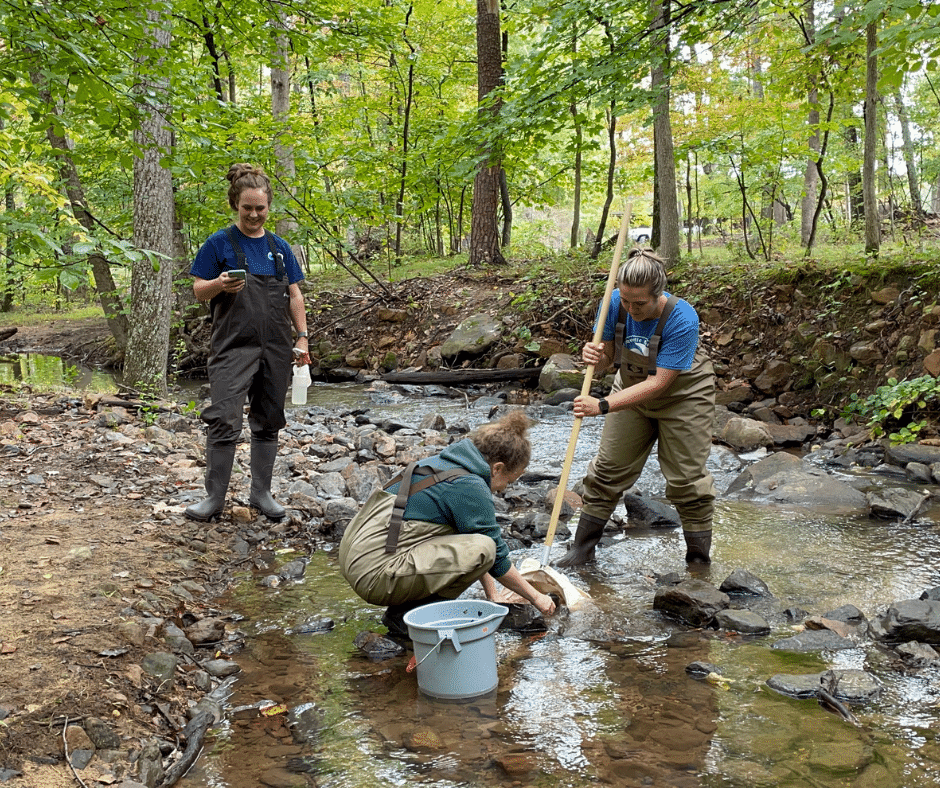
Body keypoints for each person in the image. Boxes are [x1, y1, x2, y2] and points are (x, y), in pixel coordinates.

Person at [555, 248, 716, 567]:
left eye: (639, 303)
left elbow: (659, 384)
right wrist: (594, 357)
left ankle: (698, 563)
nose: (631, 308)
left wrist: (601, 405)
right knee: (606, 470)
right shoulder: (612, 304)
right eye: (626, 301)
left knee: (687, 480)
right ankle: (582, 550)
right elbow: (605, 361)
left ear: (658, 294)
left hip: (683, 396)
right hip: (629, 389)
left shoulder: (682, 318)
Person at [339, 410, 557, 637]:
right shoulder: (469, 485)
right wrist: (537, 597)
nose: (505, 488)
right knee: (486, 548)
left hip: (355, 557)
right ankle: (408, 618)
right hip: (373, 575)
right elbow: (493, 555)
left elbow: (467, 536)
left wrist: (493, 594)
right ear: (497, 468)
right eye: (509, 481)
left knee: (478, 545)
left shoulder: (447, 463)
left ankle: (405, 614)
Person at [185, 163, 310, 523]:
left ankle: (261, 494)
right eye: (247, 208)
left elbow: (295, 295)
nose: (254, 215)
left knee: (269, 418)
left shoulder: (280, 248)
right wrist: (219, 285)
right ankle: (214, 499)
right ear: (235, 206)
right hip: (231, 347)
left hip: (275, 347)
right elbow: (197, 291)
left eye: (260, 208)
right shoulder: (218, 244)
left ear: (269, 207)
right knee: (224, 417)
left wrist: (301, 338)